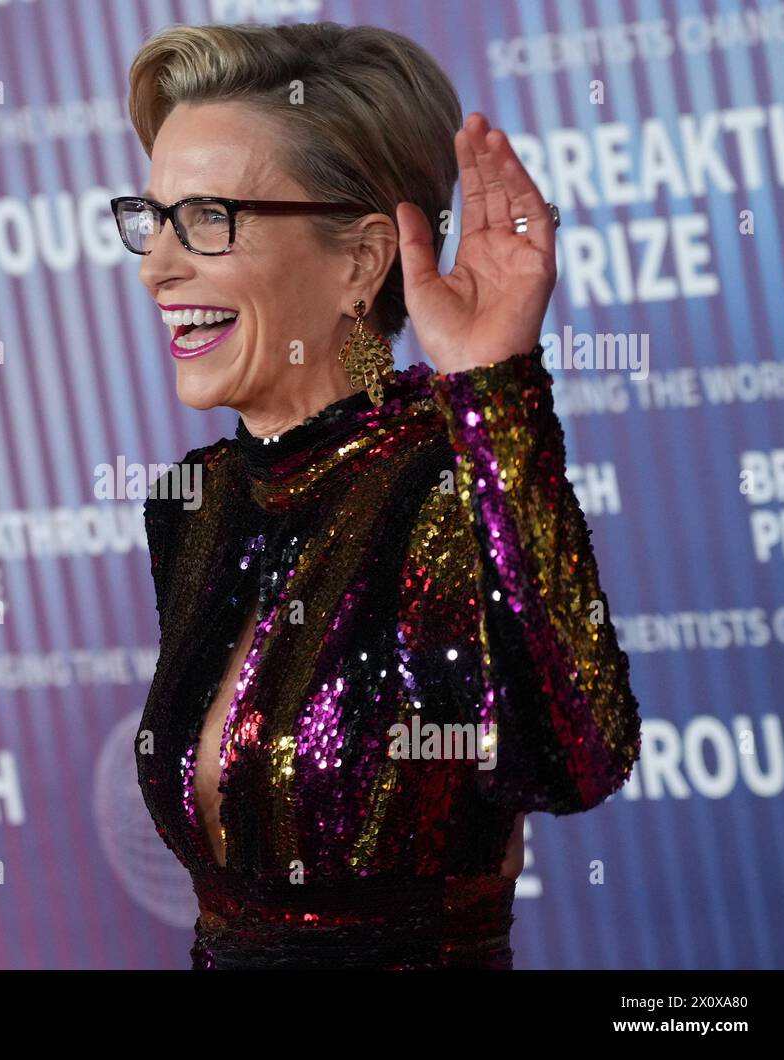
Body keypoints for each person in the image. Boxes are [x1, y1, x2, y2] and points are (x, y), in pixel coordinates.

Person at [117, 21, 643, 969]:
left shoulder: (450, 477)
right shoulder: (198, 501)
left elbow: (575, 761)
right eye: (151, 219)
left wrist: (496, 391)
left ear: (361, 261)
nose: (157, 265)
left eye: (205, 219)